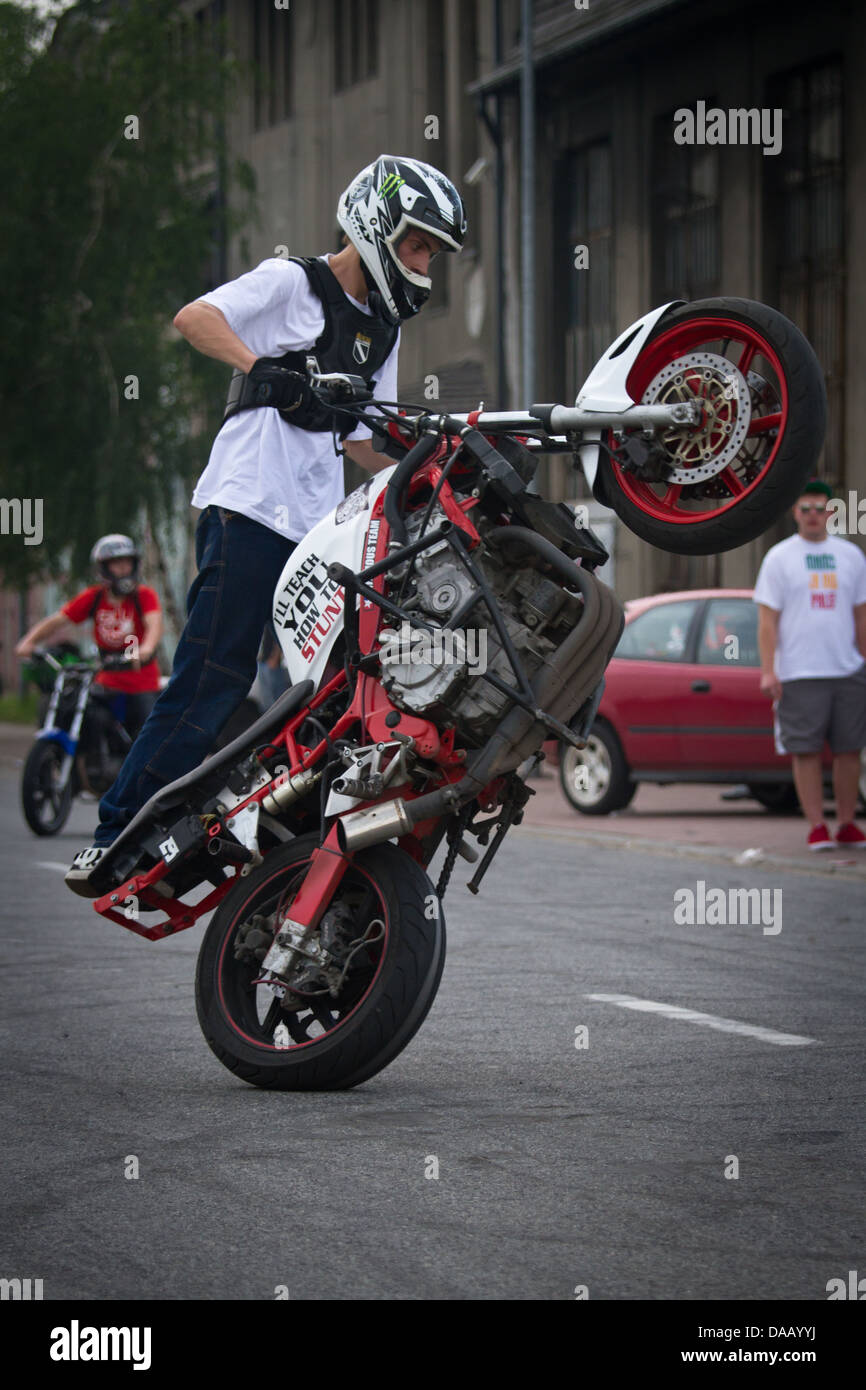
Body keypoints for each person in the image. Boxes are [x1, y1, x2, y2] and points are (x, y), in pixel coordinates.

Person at [65, 154, 466, 895]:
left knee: (330, 690)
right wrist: (263, 369)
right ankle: (113, 833)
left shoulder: (383, 328)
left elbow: (361, 439)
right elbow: (195, 318)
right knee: (216, 672)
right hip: (248, 504)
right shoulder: (293, 284)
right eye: (418, 244)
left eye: (433, 254)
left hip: (317, 531)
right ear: (378, 224)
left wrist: (427, 461)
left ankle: (249, 820)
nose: (424, 264)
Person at [754, 478, 866, 850]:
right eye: (806, 509)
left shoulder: (851, 556)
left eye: (821, 509)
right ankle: (817, 825)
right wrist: (769, 670)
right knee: (806, 751)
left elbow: (861, 616)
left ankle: (847, 823)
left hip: (847, 669)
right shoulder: (779, 558)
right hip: (799, 671)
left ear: (832, 512)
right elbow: (767, 620)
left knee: (850, 750)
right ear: (794, 513)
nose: (814, 516)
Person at [16, 534, 163, 739]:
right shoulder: (94, 597)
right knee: (81, 717)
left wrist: (146, 648)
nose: (123, 568)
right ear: (103, 568)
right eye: (116, 563)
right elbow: (58, 620)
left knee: (151, 736)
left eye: (127, 562)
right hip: (105, 680)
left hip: (141, 681)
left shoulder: (144, 595)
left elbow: (154, 624)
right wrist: (29, 641)